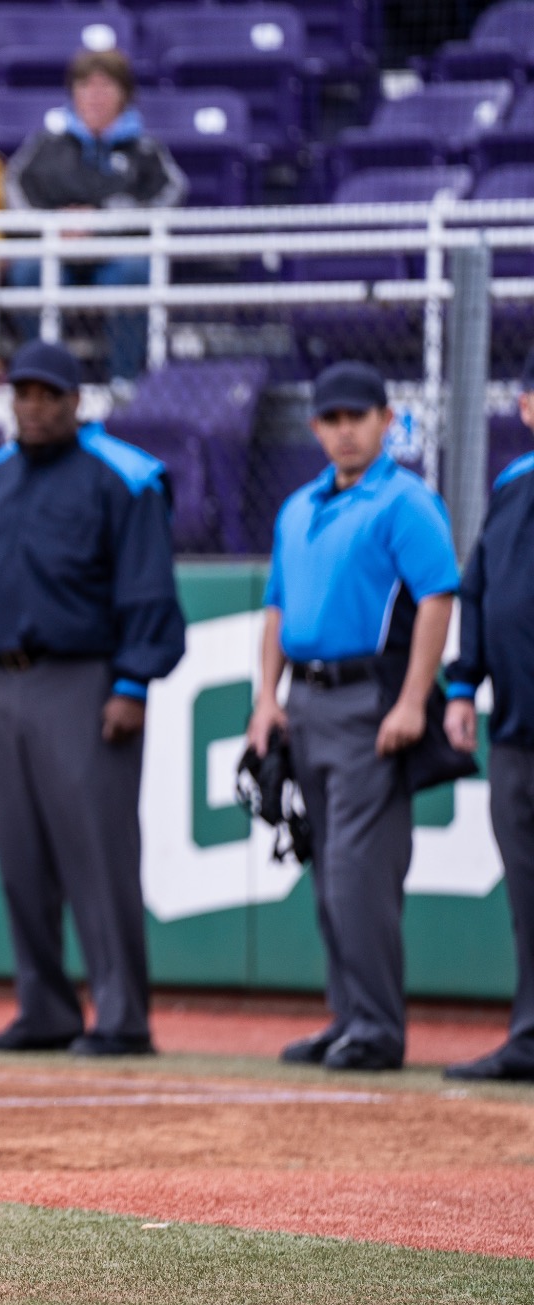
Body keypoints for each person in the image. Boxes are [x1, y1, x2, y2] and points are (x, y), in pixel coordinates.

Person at [0, 341, 185, 1058]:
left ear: (79, 401)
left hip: (87, 681)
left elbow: (148, 591)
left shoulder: (125, 477)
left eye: (50, 394)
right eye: (24, 393)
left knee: (98, 858)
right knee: (22, 858)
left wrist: (133, 682)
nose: (35, 406)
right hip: (3, 683)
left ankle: (122, 1015)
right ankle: (44, 1006)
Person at [248, 361, 461, 1073]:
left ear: (386, 418)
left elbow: (437, 596)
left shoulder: (406, 500)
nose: (345, 430)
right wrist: (265, 700)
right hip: (305, 700)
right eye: (332, 419)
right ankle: (348, 1019)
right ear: (314, 426)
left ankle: (375, 1027)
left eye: (358, 416)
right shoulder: (298, 506)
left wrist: (410, 700)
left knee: (358, 871)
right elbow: (276, 607)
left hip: (368, 700)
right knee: (325, 868)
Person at [444, 357, 534, 1083]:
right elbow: (475, 594)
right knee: (527, 895)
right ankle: (530, 1037)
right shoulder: (511, 486)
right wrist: (460, 685)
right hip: (515, 731)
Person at [2, 48, 186, 384]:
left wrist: (102, 220)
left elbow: (170, 194)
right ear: (73, 93)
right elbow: (15, 189)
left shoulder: (145, 149)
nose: (95, 97)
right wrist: (56, 223)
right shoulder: (46, 145)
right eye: (86, 86)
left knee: (134, 271)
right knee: (27, 271)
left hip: (117, 251)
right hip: (58, 249)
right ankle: (45, 379)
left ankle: (125, 381)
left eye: (106, 87)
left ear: (124, 95)